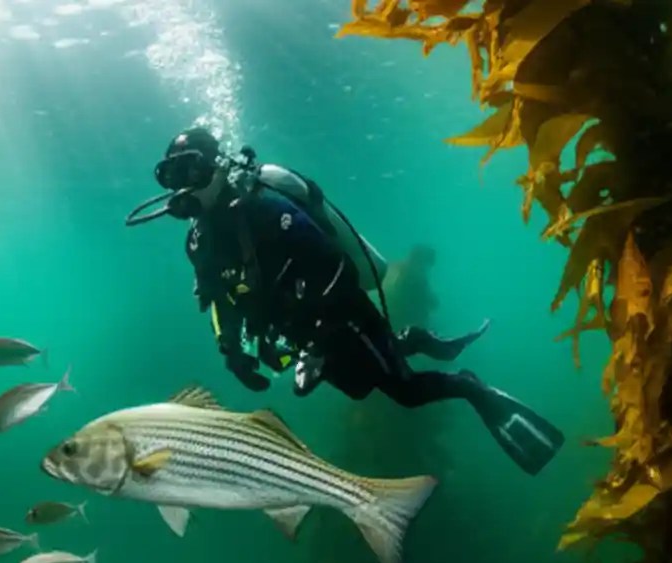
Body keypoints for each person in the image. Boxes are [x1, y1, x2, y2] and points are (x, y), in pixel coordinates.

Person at [124, 127, 565, 476]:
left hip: (343, 316)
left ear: (218, 167)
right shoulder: (199, 242)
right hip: (302, 337)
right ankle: (410, 339)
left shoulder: (261, 209)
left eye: (192, 171)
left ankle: (469, 386)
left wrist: (321, 333)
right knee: (360, 388)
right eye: (172, 175)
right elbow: (219, 300)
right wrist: (231, 351)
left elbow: (333, 263)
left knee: (406, 392)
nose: (184, 187)